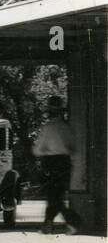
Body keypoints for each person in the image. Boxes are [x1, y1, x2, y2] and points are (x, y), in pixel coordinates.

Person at [33, 95, 81, 234]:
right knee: (55, 195)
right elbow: (73, 147)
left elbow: (37, 150)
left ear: (50, 112)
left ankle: (72, 221)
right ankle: (47, 225)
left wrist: (46, 151)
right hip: (65, 163)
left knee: (54, 196)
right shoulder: (66, 127)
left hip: (52, 163)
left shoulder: (48, 128)